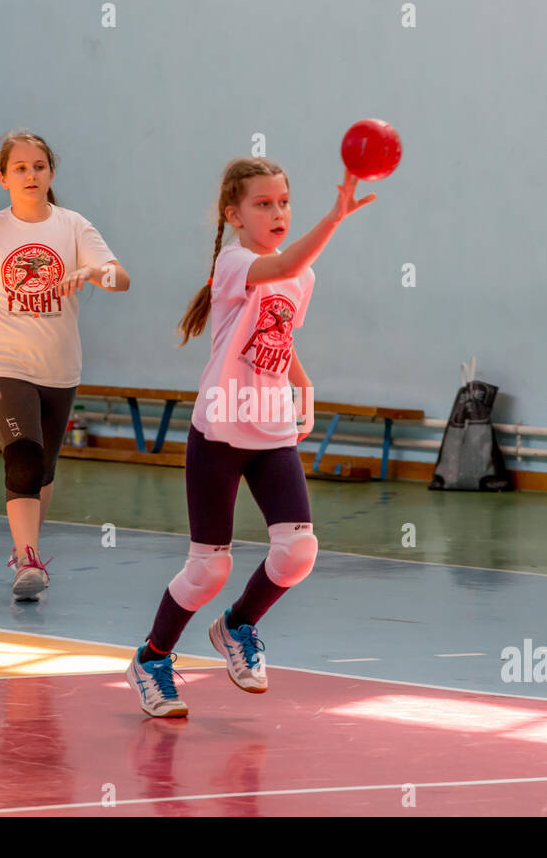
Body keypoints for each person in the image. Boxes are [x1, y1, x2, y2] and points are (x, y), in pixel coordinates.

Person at [126, 158, 374, 717]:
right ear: (233, 215)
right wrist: (335, 218)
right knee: (209, 568)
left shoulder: (300, 276)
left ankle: (237, 627)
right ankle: (152, 657)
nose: (278, 212)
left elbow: (277, 335)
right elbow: (285, 261)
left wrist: (303, 386)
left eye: (284, 201)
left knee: (298, 552)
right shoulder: (235, 261)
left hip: (270, 427)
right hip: (220, 427)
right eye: (264, 204)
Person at [0, 131, 130, 600]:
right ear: (3, 178)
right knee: (23, 457)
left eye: (38, 166)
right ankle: (28, 559)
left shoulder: (74, 226)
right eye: (20, 168)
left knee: (43, 472)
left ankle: (28, 548)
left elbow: (122, 279)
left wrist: (95, 271)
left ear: (50, 173)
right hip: (4, 360)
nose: (30, 174)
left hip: (59, 367)